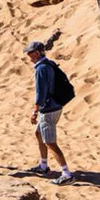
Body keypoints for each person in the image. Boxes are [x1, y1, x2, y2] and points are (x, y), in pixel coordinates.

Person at [24, 40, 74, 185]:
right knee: (38, 133)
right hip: (56, 106)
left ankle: (66, 174)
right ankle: (43, 165)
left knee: (50, 142)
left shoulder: (41, 69)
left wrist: (35, 111)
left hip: (49, 109)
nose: (28, 56)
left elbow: (41, 93)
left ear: (37, 53)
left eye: (30, 53)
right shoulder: (49, 64)